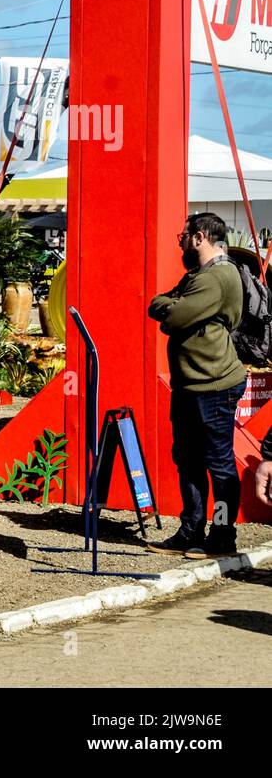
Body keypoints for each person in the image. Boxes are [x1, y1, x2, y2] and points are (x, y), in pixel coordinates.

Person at [146, 212, 247, 558]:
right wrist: (171, 305)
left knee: (218, 463)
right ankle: (191, 531)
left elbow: (172, 315)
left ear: (200, 237)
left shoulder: (215, 278)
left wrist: (172, 308)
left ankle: (221, 536)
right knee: (188, 459)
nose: (182, 243)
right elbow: (158, 303)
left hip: (214, 385)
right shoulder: (199, 276)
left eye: (184, 237)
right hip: (191, 385)